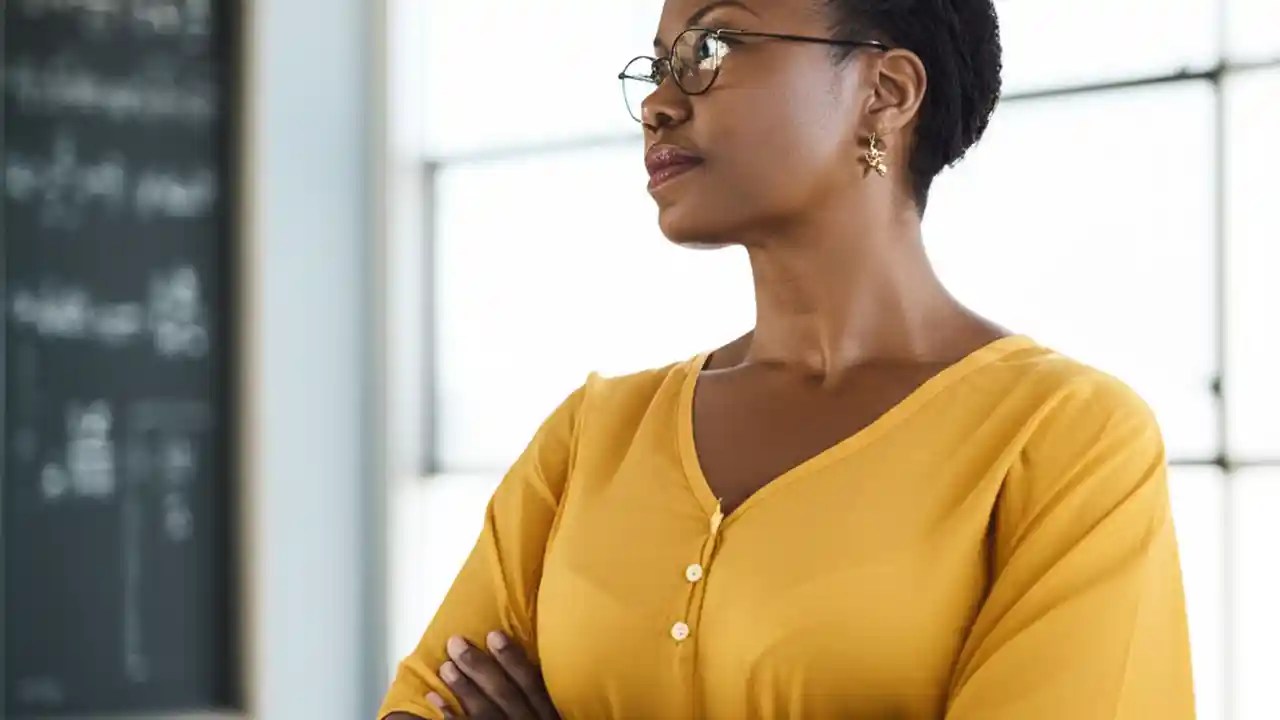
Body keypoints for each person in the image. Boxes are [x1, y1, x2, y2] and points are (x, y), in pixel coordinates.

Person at [380, 0, 1195, 717]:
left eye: (710, 50)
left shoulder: (1062, 441)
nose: (659, 106)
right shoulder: (592, 439)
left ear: (886, 92)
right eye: (657, 68)